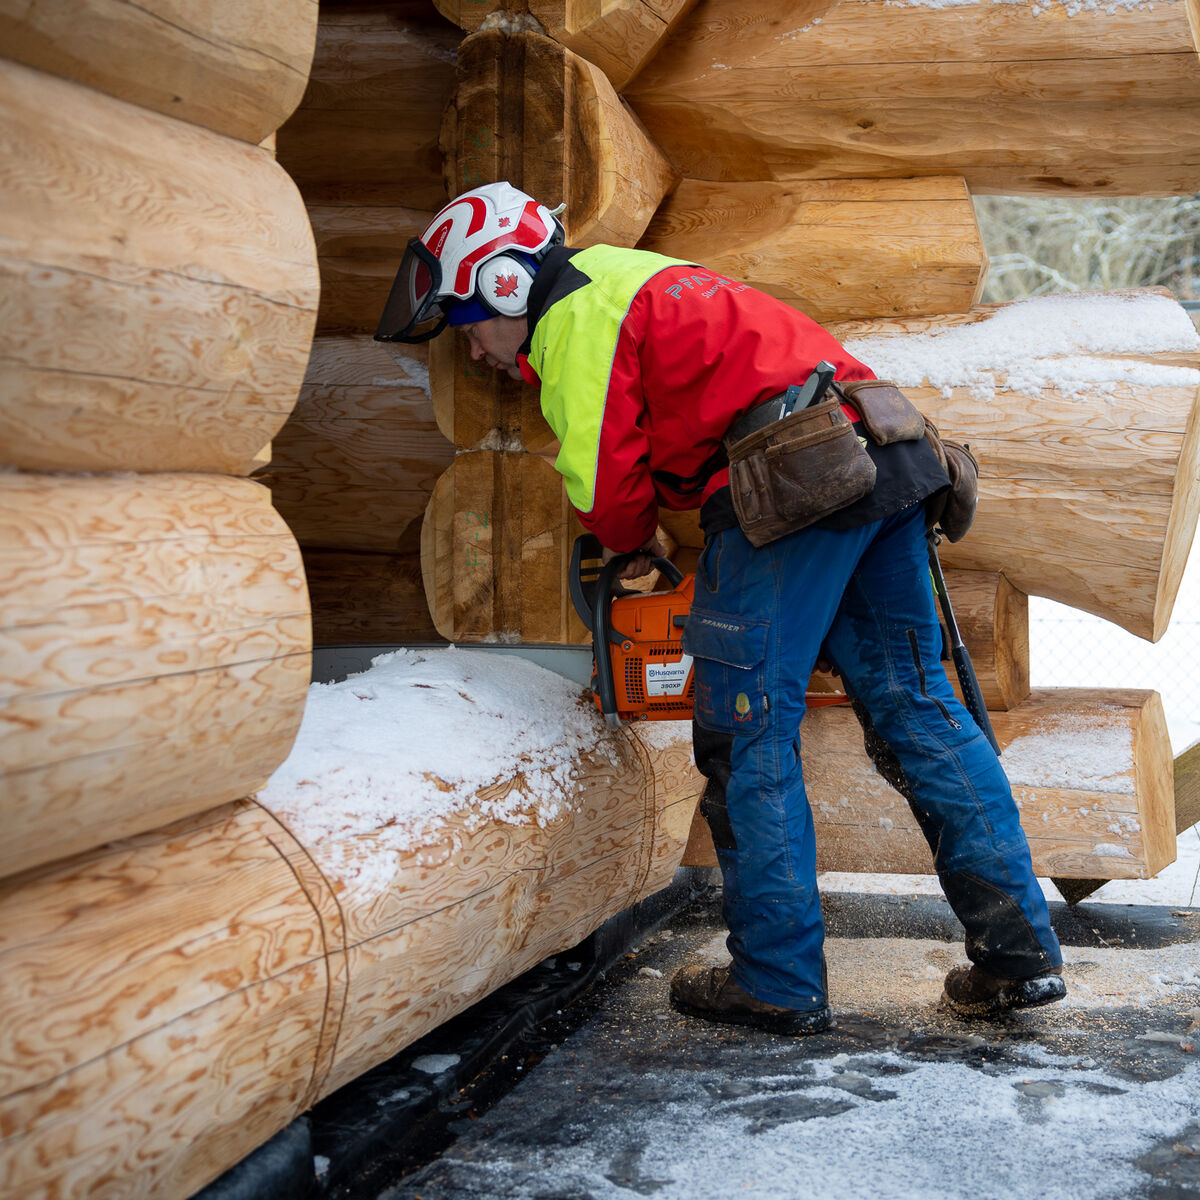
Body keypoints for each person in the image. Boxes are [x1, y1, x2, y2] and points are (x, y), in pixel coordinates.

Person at [376, 181, 1066, 1033]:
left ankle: (775, 980)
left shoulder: (574, 319)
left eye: (467, 323)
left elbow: (602, 481)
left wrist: (632, 545)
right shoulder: (629, 275)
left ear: (507, 286)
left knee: (746, 730)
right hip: (887, 452)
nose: (475, 351)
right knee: (921, 707)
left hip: (798, 480)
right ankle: (1019, 957)